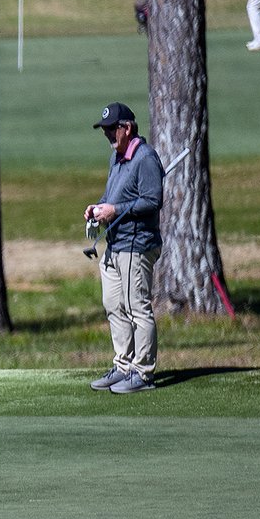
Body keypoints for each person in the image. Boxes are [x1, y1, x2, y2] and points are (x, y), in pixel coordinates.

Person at [84, 103, 163, 394]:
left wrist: (114, 210)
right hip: (115, 244)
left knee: (136, 308)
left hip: (137, 244)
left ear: (127, 128)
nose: (106, 134)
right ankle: (124, 365)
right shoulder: (116, 158)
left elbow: (152, 201)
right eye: (104, 129)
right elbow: (112, 195)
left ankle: (143, 373)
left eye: (110, 129)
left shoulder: (145, 158)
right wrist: (97, 207)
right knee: (114, 306)